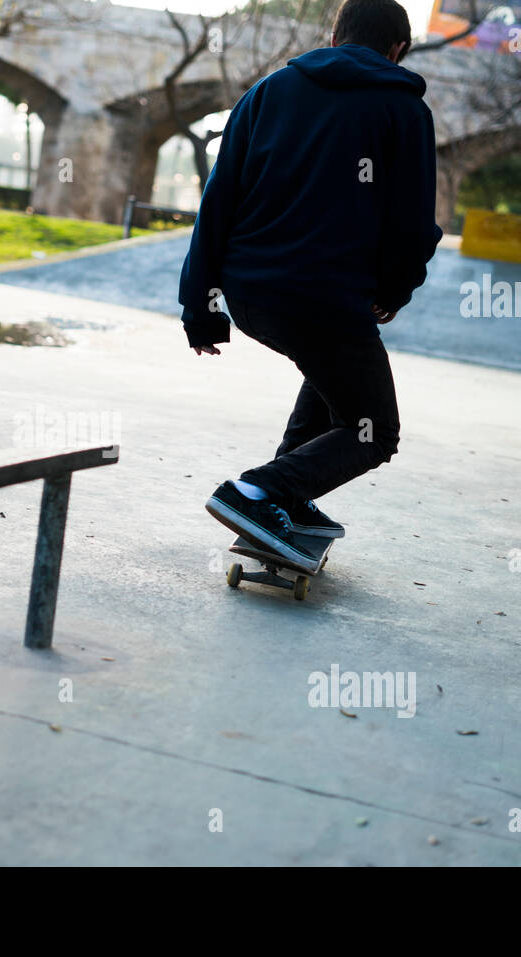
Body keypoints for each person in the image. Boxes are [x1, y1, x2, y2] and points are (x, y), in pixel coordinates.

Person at [178, 0, 443, 573]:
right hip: (324, 298)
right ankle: (257, 492)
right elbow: (413, 224)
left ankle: (285, 501)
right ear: (397, 49)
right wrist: (392, 291)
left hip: (249, 292)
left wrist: (200, 307)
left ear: (335, 34)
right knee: (374, 429)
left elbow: (216, 204)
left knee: (332, 380)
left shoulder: (270, 92)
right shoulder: (402, 108)